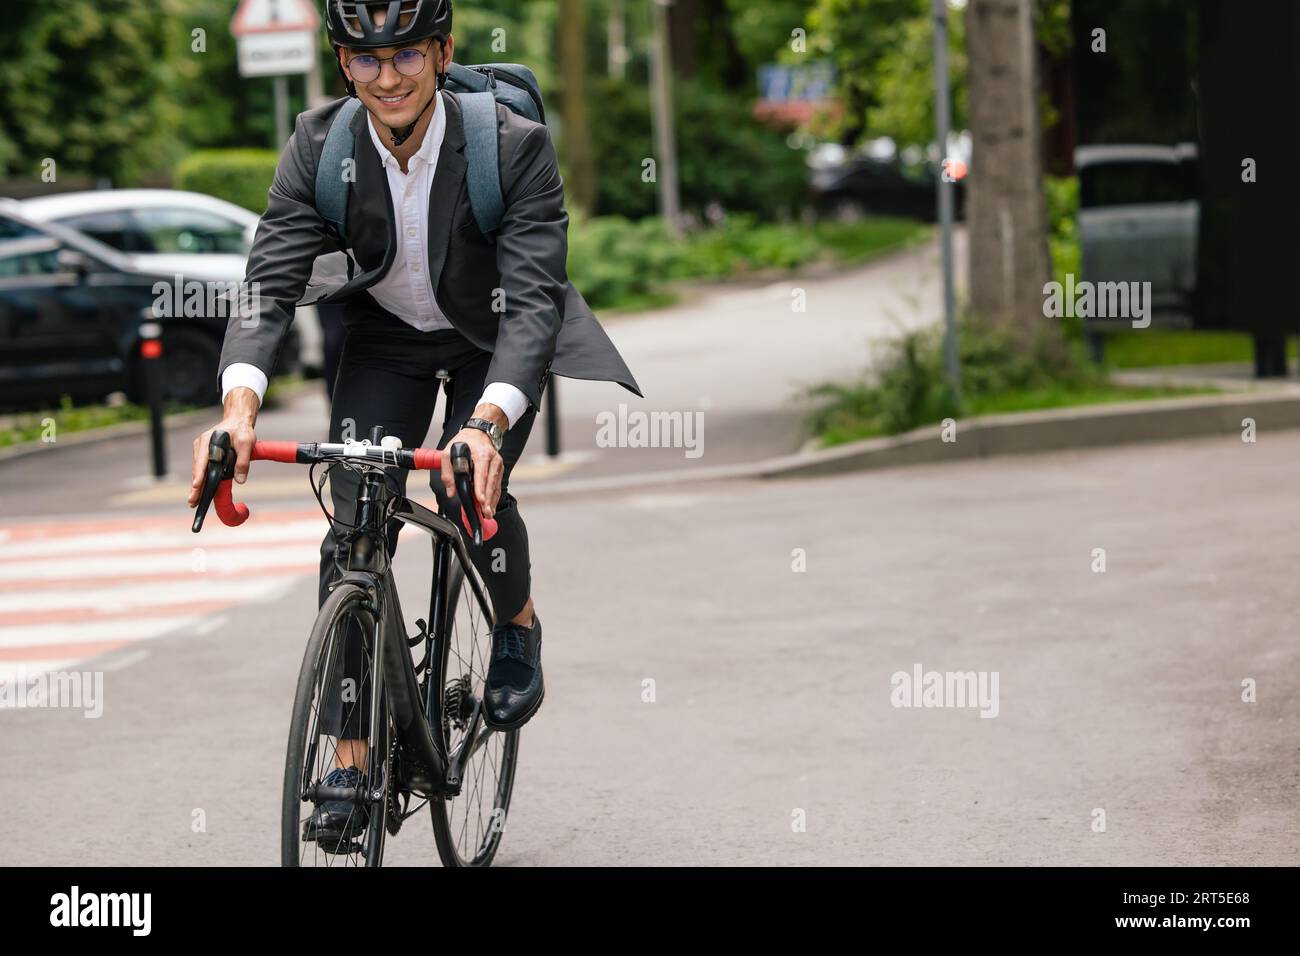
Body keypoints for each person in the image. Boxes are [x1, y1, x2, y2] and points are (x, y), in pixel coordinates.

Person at [187, 0, 639, 841]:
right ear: (340, 62)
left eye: (404, 55)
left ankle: (517, 623)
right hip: (386, 340)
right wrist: (239, 406)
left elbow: (535, 304)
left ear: (442, 52)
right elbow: (268, 283)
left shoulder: (511, 146)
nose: (386, 77)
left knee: (473, 492)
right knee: (353, 527)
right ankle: (350, 762)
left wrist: (486, 426)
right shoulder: (320, 147)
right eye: (365, 58)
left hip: (490, 333)